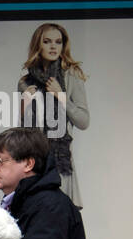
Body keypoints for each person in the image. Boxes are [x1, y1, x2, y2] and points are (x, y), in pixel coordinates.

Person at [17, 23, 89, 205]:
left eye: (58, 42)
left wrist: (60, 95)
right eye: (47, 41)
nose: (53, 46)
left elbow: (83, 121)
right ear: (38, 45)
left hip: (60, 164)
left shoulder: (71, 75)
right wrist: (23, 104)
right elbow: (23, 131)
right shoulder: (25, 82)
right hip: (33, 164)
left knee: (60, 219)